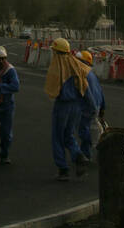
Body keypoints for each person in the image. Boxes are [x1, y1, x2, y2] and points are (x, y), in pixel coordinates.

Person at [45, 38, 91, 179]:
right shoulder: (75, 64)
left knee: (57, 137)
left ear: (56, 51)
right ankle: (78, 156)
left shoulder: (58, 66)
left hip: (63, 106)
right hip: (76, 105)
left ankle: (63, 169)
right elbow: (85, 85)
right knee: (69, 135)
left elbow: (53, 88)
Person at [74, 50, 106, 161]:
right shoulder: (92, 74)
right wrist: (102, 109)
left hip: (88, 107)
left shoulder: (82, 74)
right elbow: (101, 92)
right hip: (96, 105)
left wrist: (92, 107)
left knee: (84, 131)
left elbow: (87, 93)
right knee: (90, 129)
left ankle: (86, 154)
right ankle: (88, 151)